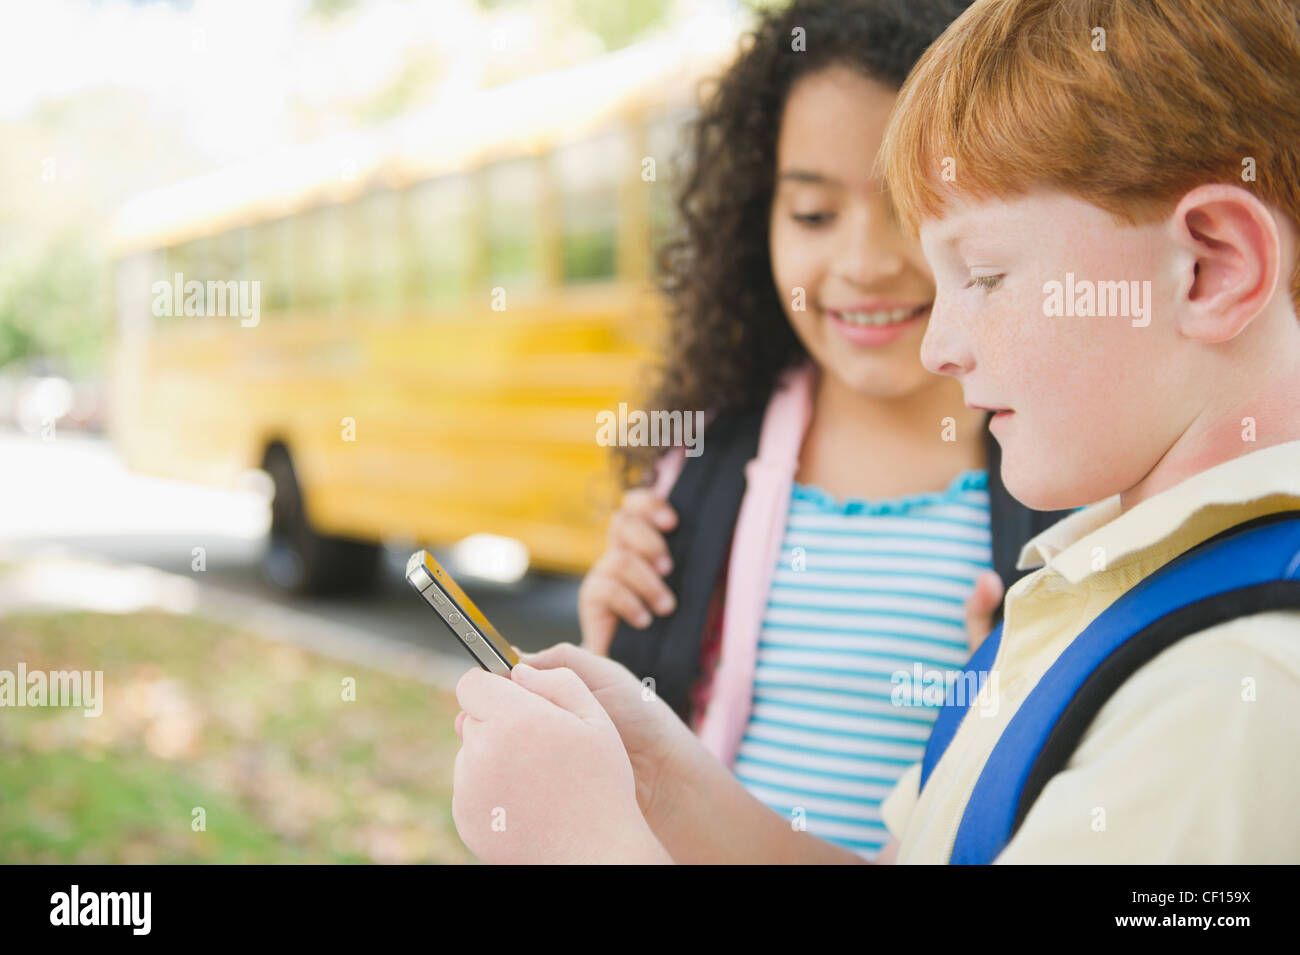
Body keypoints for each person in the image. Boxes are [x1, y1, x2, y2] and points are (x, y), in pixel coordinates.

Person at [450, 0, 1300, 864]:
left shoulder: (1242, 685)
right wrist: (664, 778)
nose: (940, 346)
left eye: (987, 274)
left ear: (1209, 267)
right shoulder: (1099, 571)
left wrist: (585, 847)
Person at [576, 0, 1066, 860]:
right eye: (812, 214)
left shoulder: (1066, 467)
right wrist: (618, 645)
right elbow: (653, 765)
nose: (866, 262)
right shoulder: (703, 460)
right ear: (752, 222)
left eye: (913, 205)